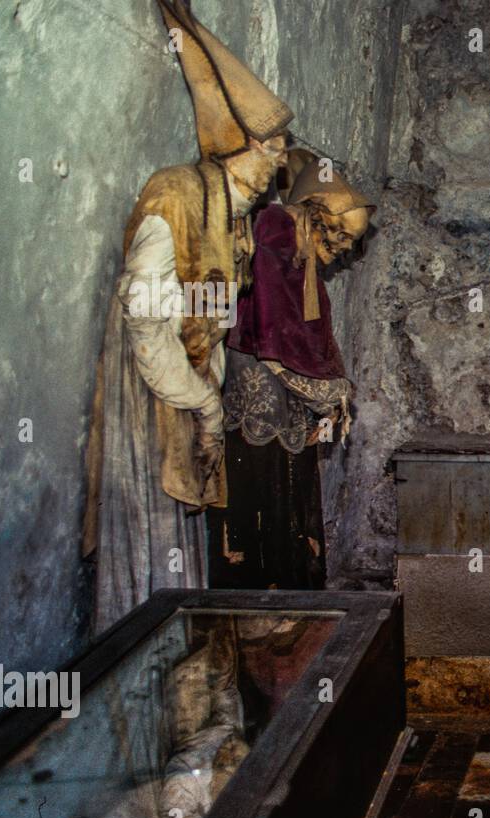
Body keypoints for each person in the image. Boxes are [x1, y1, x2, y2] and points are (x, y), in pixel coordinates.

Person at [84, 0, 292, 631]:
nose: (281, 161)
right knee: (148, 549)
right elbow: (146, 319)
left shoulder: (233, 216)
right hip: (151, 391)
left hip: (189, 384)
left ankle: (185, 673)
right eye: (272, 147)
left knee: (182, 547)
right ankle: (143, 668)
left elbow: (213, 313)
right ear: (236, 142)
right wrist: (202, 402)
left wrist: (211, 394)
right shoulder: (174, 195)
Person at [208, 153, 374, 589]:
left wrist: (331, 394)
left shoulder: (301, 257)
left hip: (283, 404)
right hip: (259, 394)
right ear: (317, 219)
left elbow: (305, 338)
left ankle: (289, 611)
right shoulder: (276, 239)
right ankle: (265, 610)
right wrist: (331, 395)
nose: (340, 251)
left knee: (289, 497)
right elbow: (274, 337)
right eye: (338, 238)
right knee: (265, 501)